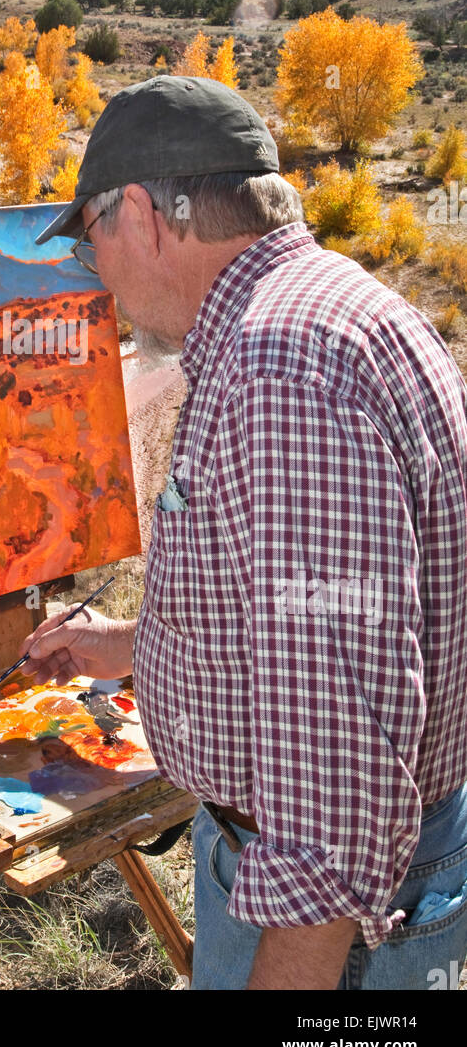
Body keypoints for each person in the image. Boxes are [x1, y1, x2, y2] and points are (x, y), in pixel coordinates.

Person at [23, 73, 467, 991]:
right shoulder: (336, 305)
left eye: (90, 241)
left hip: (333, 920)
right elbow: (327, 626)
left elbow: (340, 779)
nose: (93, 273)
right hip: (374, 872)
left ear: (140, 215)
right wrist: (132, 648)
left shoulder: (280, 376)